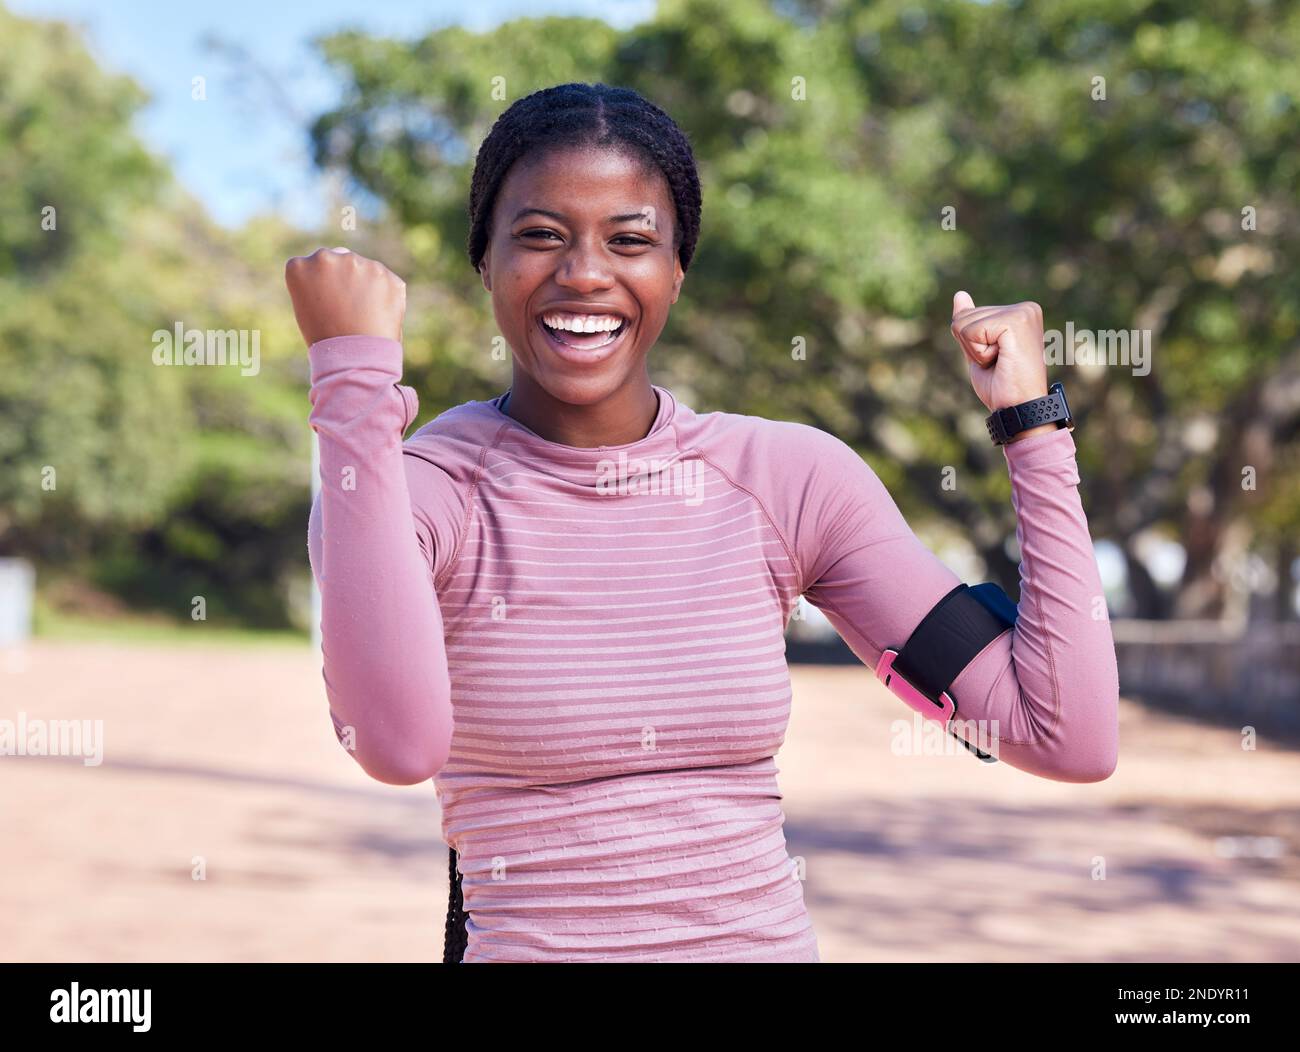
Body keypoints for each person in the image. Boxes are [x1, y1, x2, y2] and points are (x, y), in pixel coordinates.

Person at [286, 82, 1118, 964]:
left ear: (677, 269)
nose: (584, 273)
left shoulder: (788, 479)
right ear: (484, 262)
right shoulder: (420, 490)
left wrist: (1032, 426)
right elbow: (398, 745)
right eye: (539, 235)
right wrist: (352, 383)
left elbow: (1064, 735)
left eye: (632, 240)